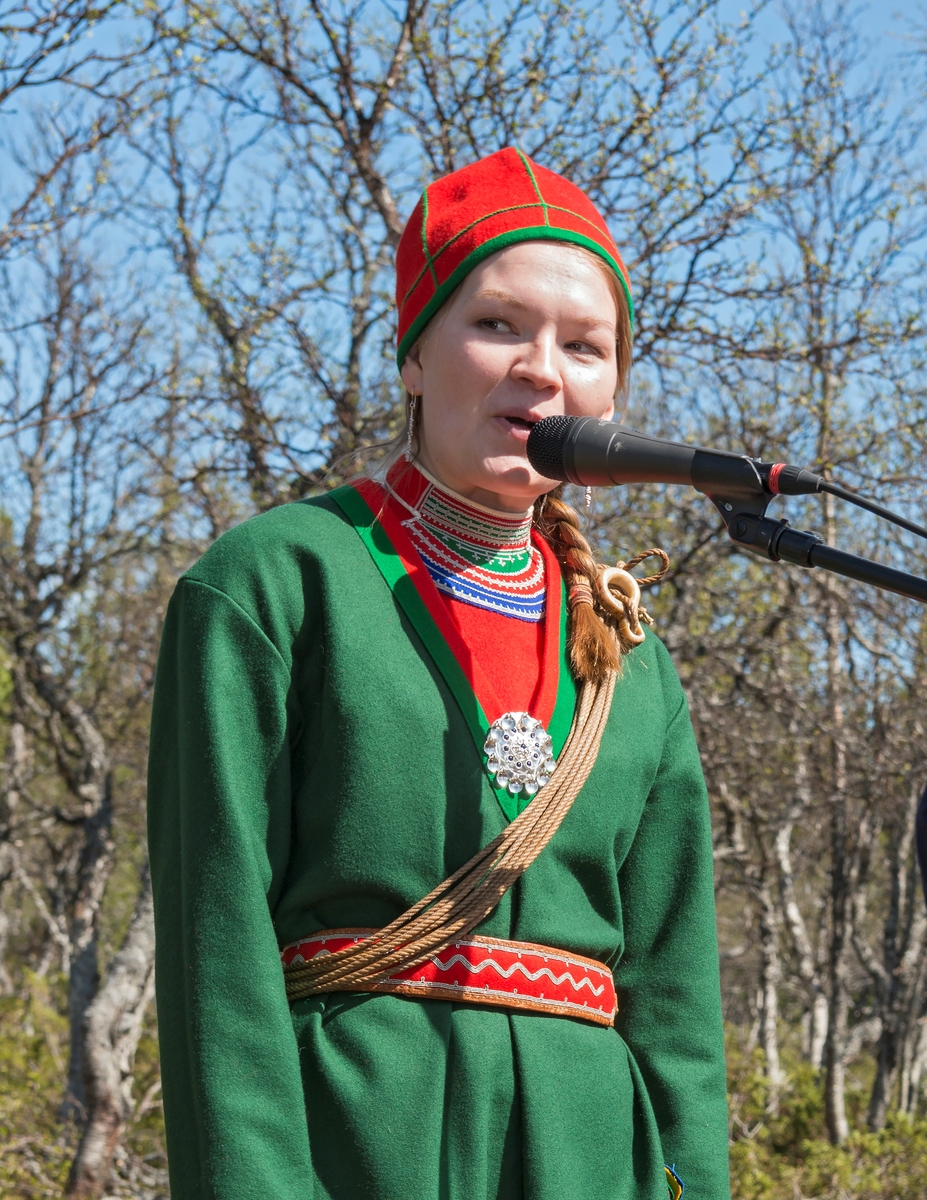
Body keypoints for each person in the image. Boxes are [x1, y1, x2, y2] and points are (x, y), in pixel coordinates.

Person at [147, 147, 731, 1200]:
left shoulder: (629, 658)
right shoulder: (273, 585)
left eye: (586, 346)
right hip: (357, 1141)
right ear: (414, 356)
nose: (543, 368)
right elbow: (216, 954)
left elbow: (676, 999)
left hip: (593, 1159)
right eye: (497, 325)